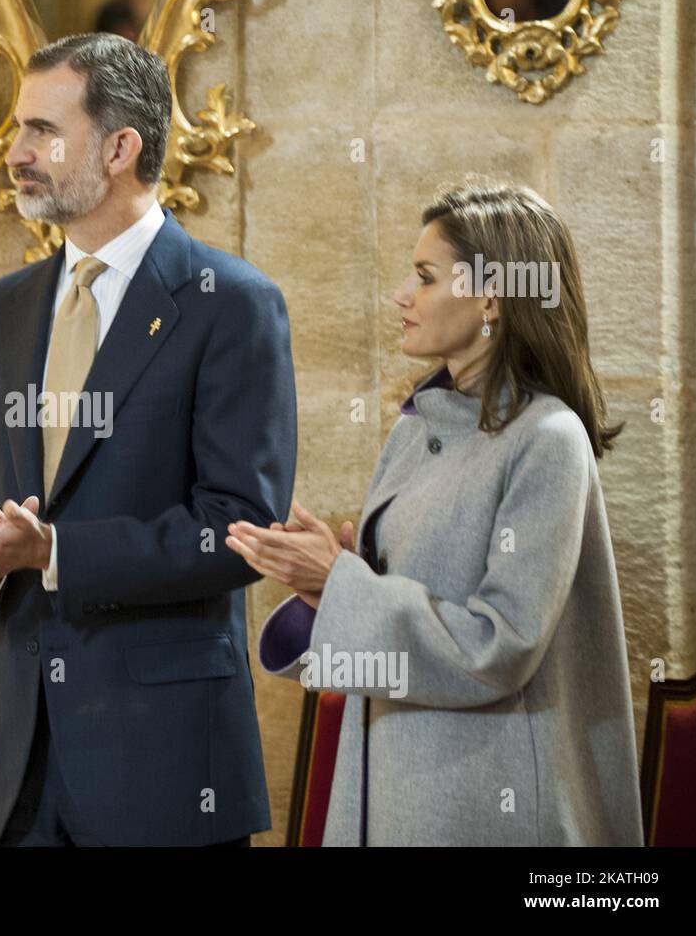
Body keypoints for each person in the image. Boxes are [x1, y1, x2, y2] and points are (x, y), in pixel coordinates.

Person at [0, 33, 297, 846]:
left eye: (43, 132)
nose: (15, 153)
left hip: (166, 767)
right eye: (18, 129)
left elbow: (238, 529)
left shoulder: (232, 304)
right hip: (15, 766)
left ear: (122, 147)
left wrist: (55, 552)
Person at [228, 181, 643, 845]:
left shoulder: (547, 439)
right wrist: (323, 590)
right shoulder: (418, 428)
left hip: (482, 802)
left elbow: (497, 647)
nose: (401, 295)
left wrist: (345, 584)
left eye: (424, 276)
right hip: (394, 787)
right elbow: (401, 612)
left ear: (491, 298)